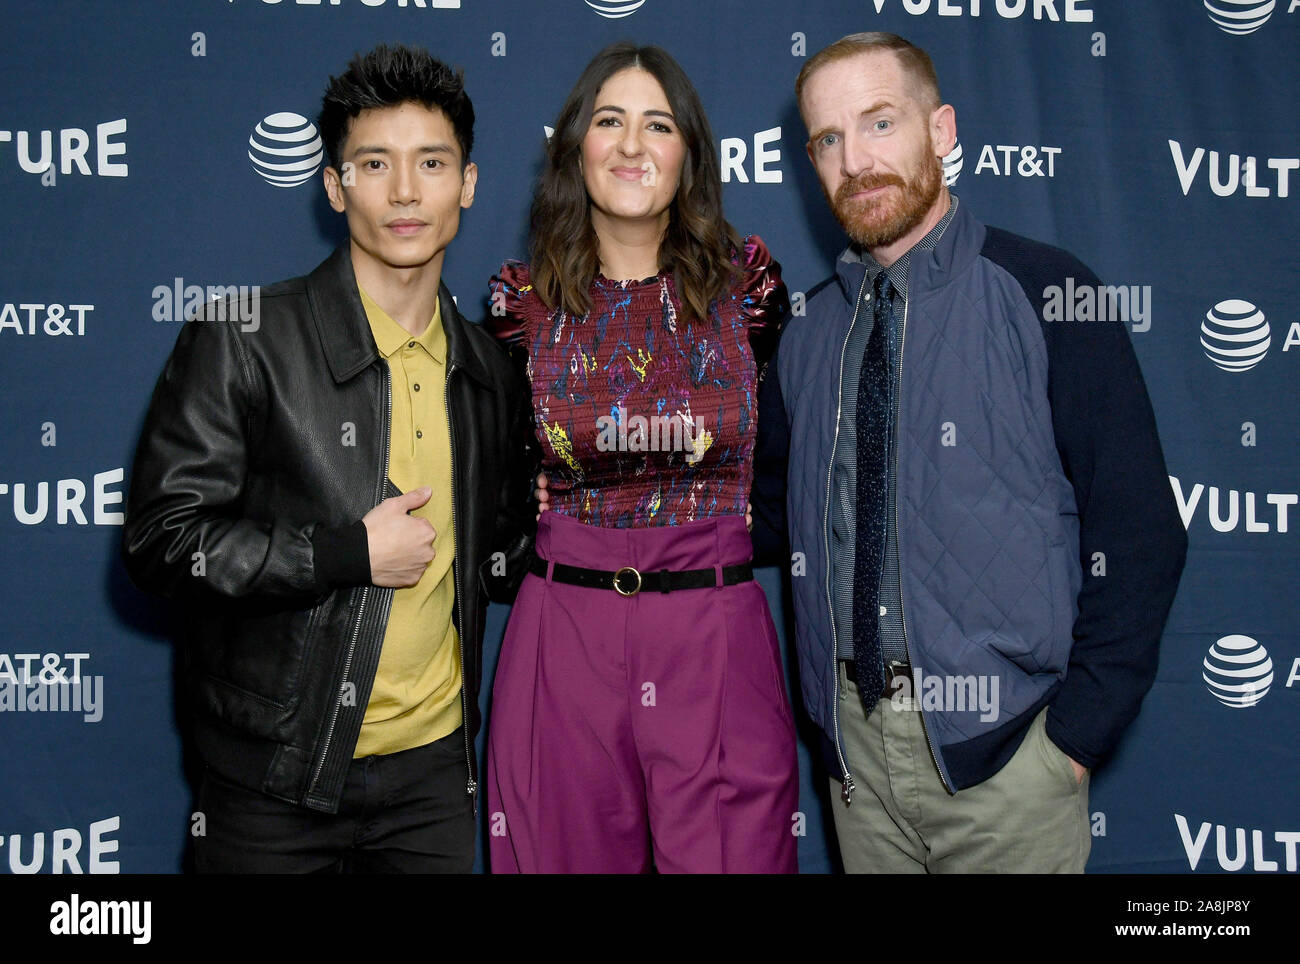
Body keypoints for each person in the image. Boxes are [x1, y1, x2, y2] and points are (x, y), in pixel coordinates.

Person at [750, 32, 1187, 873]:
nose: (856, 160)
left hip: (1009, 760)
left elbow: (1139, 532)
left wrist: (1071, 741)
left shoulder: (1047, 293)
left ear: (942, 130)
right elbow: (771, 516)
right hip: (856, 764)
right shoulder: (805, 333)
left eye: (880, 124)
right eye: (829, 140)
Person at [121, 44, 534, 873]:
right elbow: (163, 541)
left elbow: (501, 553)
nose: (407, 192)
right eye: (374, 164)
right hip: (271, 780)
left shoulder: (489, 370)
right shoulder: (244, 338)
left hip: (433, 783)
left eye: (432, 163)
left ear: (469, 184)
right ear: (334, 185)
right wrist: (343, 554)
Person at [486, 42, 797, 874]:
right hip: (565, 634)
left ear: (688, 153)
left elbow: (799, 473)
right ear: (574, 147)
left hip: (715, 633)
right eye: (608, 121)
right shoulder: (519, 309)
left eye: (657, 125)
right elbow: (483, 486)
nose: (631, 145)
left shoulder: (753, 296)